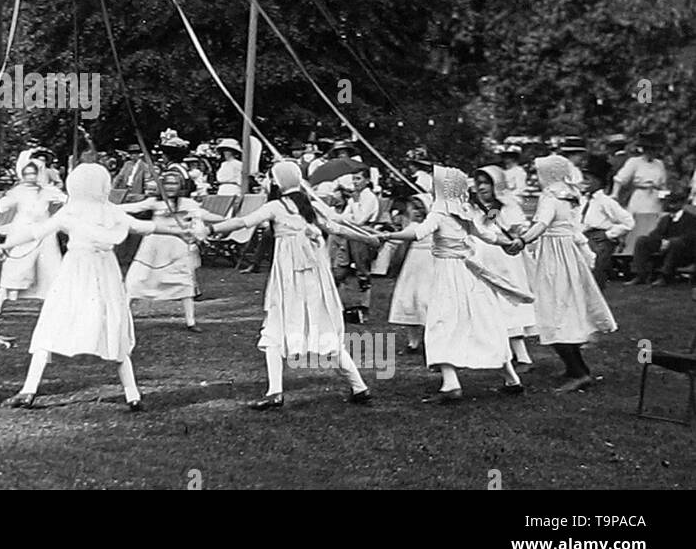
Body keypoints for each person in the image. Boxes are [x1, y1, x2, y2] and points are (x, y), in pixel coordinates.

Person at [0, 164, 196, 412]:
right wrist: (180, 232)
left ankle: (28, 390)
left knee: (54, 321)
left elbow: (37, 232)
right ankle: (132, 394)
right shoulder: (109, 211)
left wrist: (5, 246)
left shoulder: (71, 210)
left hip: (76, 269)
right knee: (112, 322)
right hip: (104, 271)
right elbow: (143, 227)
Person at [202, 160, 380, 409]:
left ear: (276, 182)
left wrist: (211, 228)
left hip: (291, 279)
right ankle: (359, 387)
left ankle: (276, 392)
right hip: (314, 279)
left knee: (276, 330)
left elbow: (245, 222)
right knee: (323, 330)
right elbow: (335, 227)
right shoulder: (309, 205)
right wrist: (368, 238)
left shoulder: (276, 206)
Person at [378, 166, 530, 402]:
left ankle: (451, 384)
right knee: (482, 321)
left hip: (449, 274)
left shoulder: (441, 214)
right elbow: (488, 235)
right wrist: (508, 244)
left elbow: (419, 232)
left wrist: (388, 236)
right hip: (470, 272)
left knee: (442, 321)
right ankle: (511, 378)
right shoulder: (465, 212)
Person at [506, 155, 617, 393]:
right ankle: (573, 367)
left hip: (556, 259)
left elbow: (542, 224)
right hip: (567, 255)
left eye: (540, 172)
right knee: (564, 312)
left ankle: (580, 372)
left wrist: (522, 240)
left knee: (554, 313)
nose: (538, 177)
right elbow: (567, 228)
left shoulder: (551, 196)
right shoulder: (569, 194)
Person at [120, 170, 225, 331]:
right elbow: (132, 208)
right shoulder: (154, 202)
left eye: (174, 183)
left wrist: (228, 220)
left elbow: (206, 215)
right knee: (138, 279)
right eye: (167, 183)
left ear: (181, 186)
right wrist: (105, 207)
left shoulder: (188, 203)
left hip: (177, 246)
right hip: (153, 246)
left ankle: (191, 321)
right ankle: (122, 316)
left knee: (184, 281)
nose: (170, 187)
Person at [0, 158, 67, 315]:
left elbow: (68, 201)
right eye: (26, 174)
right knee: (15, 265)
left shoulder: (49, 191)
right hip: (22, 228)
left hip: (44, 230)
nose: (30, 177)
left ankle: (55, 304)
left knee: (50, 265)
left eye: (33, 174)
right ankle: (1, 299)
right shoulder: (18, 192)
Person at [470, 167, 537, 369]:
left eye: (486, 182)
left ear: (496, 185)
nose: (481, 187)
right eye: (478, 182)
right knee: (488, 304)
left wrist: (517, 236)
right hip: (483, 260)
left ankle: (522, 355)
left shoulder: (507, 207)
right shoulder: (476, 207)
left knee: (510, 303)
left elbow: (515, 228)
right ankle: (498, 352)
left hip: (505, 261)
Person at [578, 155, 634, 288]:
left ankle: (596, 299)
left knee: (595, 271)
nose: (583, 182)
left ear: (598, 181)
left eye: (587, 179)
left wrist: (609, 234)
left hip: (599, 239)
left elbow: (628, 222)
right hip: (583, 236)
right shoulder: (582, 199)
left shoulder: (606, 202)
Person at [386, 193, 433, 353]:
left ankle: (431, 341)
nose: (418, 212)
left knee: (425, 301)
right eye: (414, 208)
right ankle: (413, 342)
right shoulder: (411, 226)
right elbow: (401, 246)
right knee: (409, 300)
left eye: (421, 208)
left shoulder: (432, 225)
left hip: (430, 268)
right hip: (412, 269)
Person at [627, 190, 696, 286]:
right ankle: (640, 275)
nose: (671, 205)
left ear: (682, 203)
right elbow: (655, 233)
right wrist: (662, 241)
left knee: (675, 242)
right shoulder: (665, 219)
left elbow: (690, 236)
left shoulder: (691, 219)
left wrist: (670, 242)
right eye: (670, 202)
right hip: (666, 247)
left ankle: (664, 276)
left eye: (674, 203)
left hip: (684, 251)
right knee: (642, 240)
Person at [612, 133, 667, 214]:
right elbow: (619, 179)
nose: (653, 152)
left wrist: (664, 196)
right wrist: (615, 195)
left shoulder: (659, 164)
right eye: (650, 149)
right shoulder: (634, 162)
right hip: (640, 197)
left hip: (655, 199)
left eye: (655, 150)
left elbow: (663, 185)